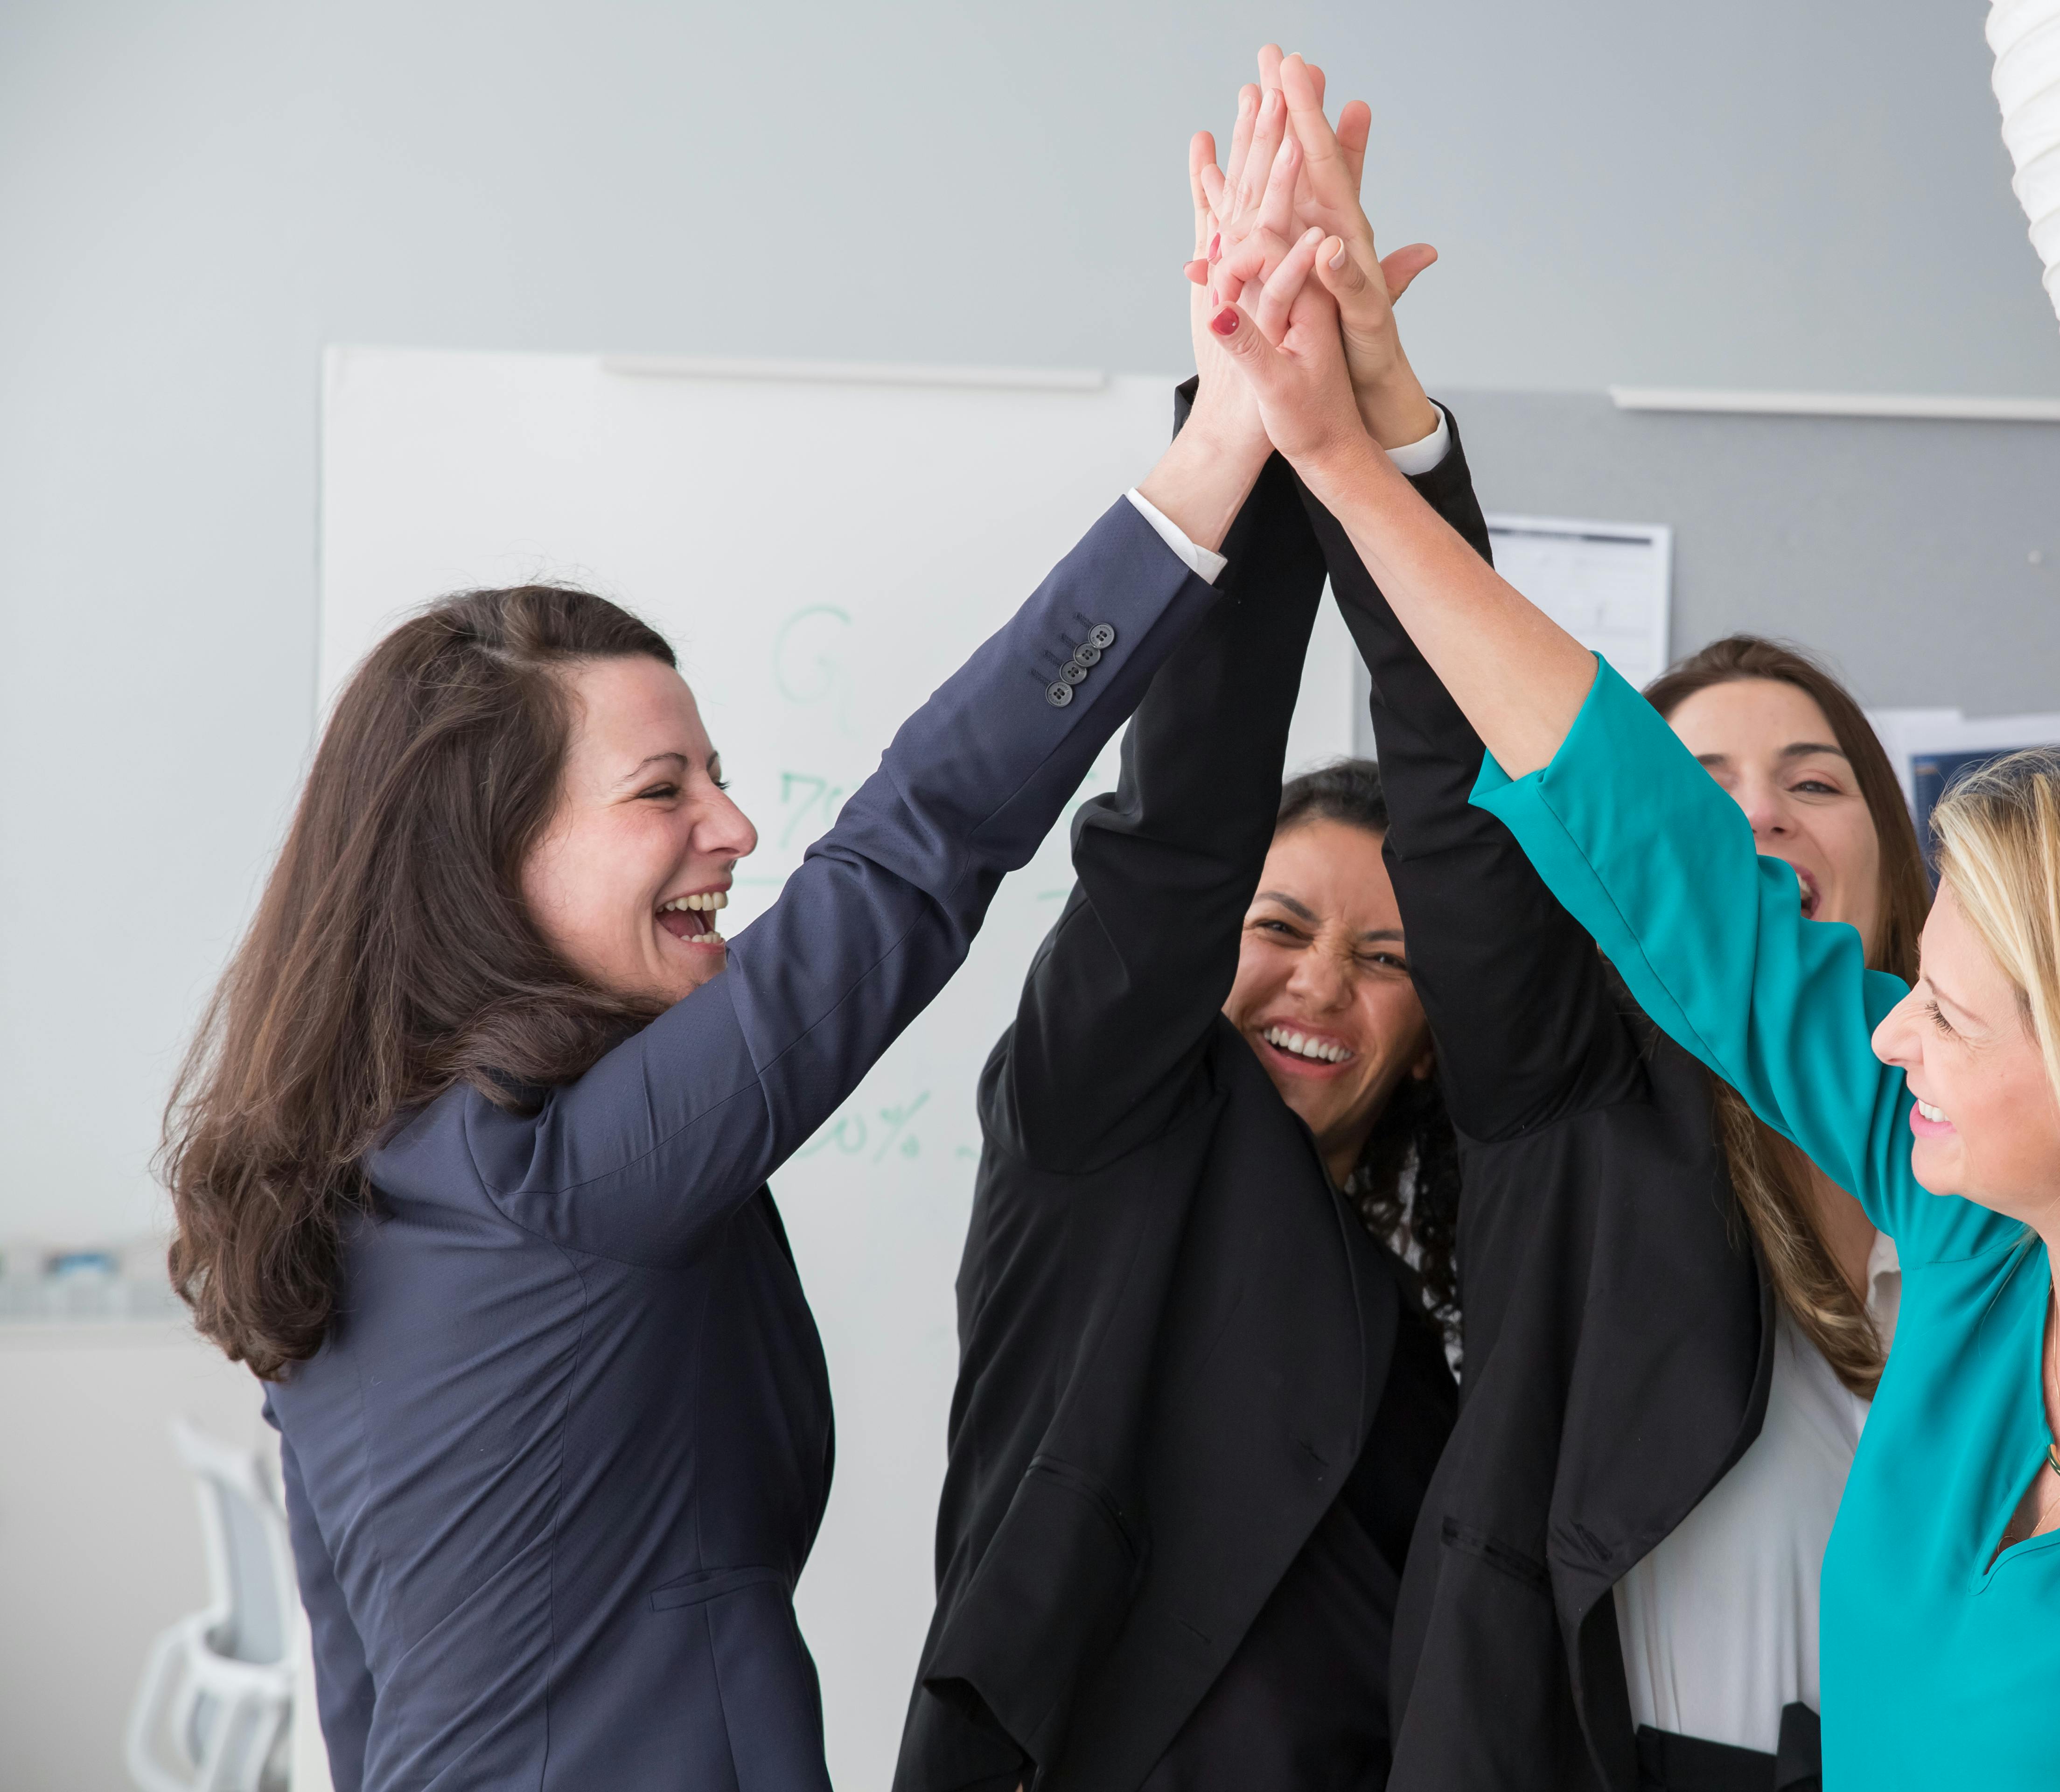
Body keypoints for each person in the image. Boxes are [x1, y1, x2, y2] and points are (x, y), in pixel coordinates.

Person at [1208, 208, 2060, 1791]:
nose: (1892, 1030)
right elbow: (1647, 830)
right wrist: (1352, 457)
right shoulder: (1975, 1248)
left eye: (1948, 1016)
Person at [155, 166, 1281, 1790]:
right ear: (491, 864)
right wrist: (1217, 454)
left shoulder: (359, 1195)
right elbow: (917, 848)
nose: (738, 828)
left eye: (718, 778)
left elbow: (366, 1715)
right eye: (662, 791)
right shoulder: (557, 1177)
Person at [1206, 58, 1921, 1792]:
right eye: (1703, 788)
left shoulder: (1981, 1160)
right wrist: (1381, 447)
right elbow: (1490, 764)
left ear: (1896, 860)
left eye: (1811, 784)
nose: (1751, 819)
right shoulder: (1579, 1105)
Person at [894, 52, 1472, 1792]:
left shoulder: (1484, 1229)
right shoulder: (1103, 1126)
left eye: (1386, 963)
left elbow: (1490, 843)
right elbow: (1173, 840)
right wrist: (1266, 425)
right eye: (1284, 928)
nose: (1320, 986)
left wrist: (1392, 452)